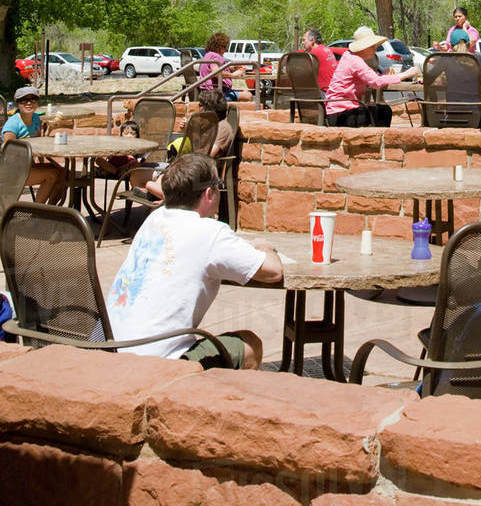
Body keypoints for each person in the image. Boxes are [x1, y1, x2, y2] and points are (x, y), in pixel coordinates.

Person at [106, 153, 283, 367]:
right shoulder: (210, 232)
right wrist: (267, 248)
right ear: (209, 194)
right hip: (155, 362)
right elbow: (273, 272)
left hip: (110, 348)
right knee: (249, 345)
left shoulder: (155, 217)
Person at [324, 26, 417, 125]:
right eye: (373, 47)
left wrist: (384, 75)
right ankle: (376, 139)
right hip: (341, 114)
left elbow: (371, 78)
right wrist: (406, 74)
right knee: (384, 112)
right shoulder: (355, 61)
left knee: (381, 110)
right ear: (364, 47)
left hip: (337, 111)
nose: (375, 50)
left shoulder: (349, 56)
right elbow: (375, 82)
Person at [1, 86, 65, 204]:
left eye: (33, 99)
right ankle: (37, 211)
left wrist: (49, 130)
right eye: (24, 100)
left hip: (29, 166)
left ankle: (50, 210)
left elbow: (37, 142)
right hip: (12, 171)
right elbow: (9, 151)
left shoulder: (36, 118)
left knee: (64, 173)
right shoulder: (13, 125)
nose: (29, 103)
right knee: (52, 174)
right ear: (17, 104)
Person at [198, 31, 252, 103]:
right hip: (217, 94)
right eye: (224, 47)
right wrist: (233, 75)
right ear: (218, 47)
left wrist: (230, 68)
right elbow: (216, 73)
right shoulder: (216, 56)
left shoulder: (208, 55)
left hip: (207, 92)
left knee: (245, 91)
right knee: (249, 96)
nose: (226, 49)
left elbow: (212, 69)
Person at [301, 28, 338, 93]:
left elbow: (302, 73)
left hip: (322, 93)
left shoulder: (314, 52)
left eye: (304, 40)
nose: (302, 43)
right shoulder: (325, 49)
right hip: (331, 91)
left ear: (312, 40)